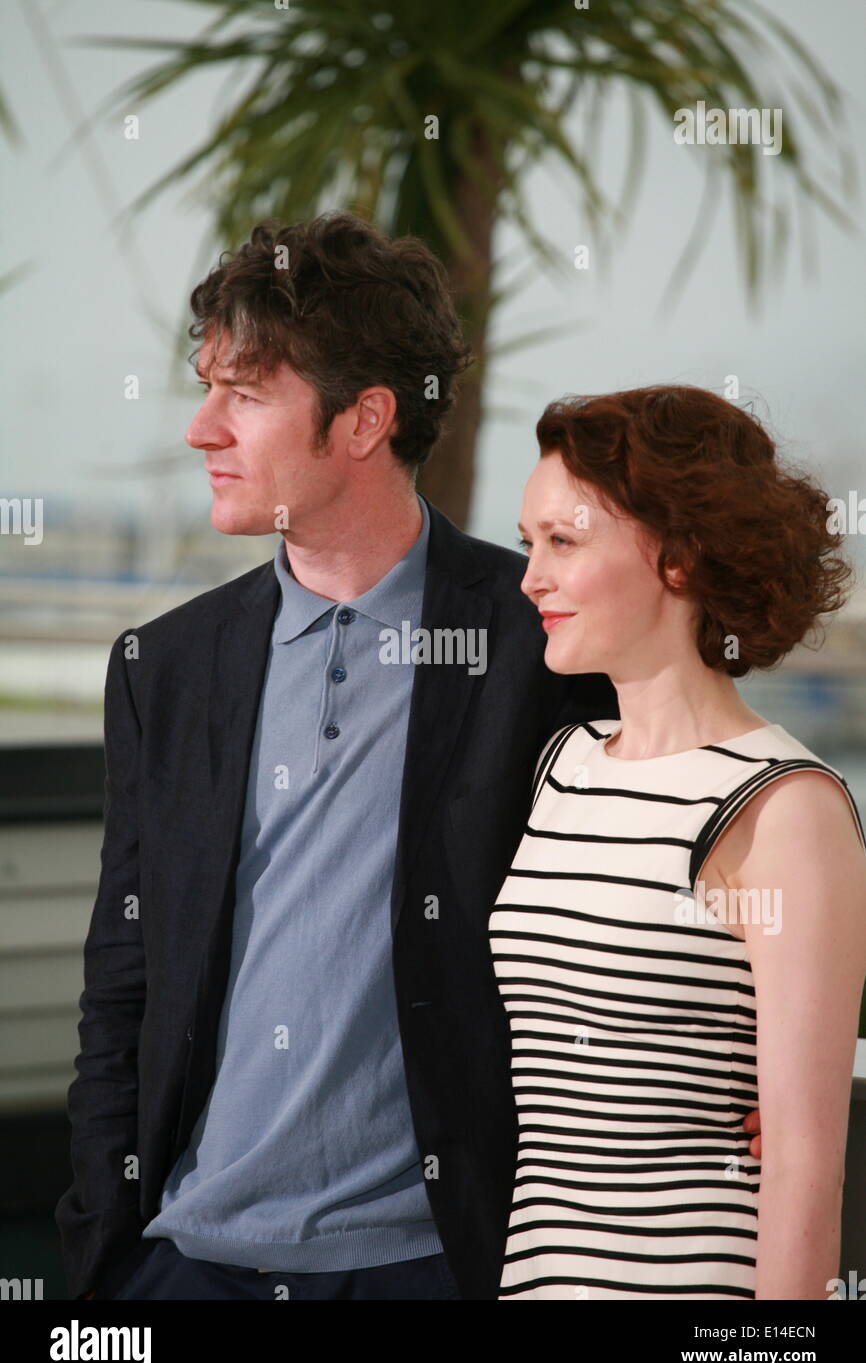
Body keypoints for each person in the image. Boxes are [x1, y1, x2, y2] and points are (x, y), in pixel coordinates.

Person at [55, 211, 650, 1302]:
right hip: (183, 1260)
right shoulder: (166, 665)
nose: (200, 429)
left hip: (433, 1264)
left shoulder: (542, 644)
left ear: (365, 418)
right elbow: (124, 982)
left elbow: (647, 897)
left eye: (244, 392)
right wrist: (104, 1249)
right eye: (205, 387)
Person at [490, 385, 866, 1300]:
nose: (531, 577)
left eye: (564, 543)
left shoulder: (784, 808)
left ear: (678, 557)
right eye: (527, 543)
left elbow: (807, 1168)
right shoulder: (560, 768)